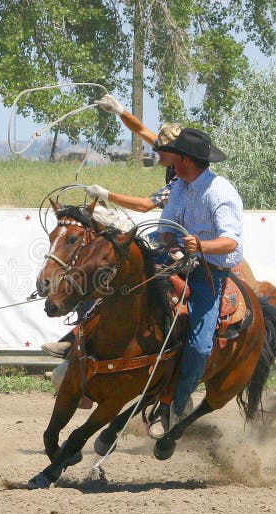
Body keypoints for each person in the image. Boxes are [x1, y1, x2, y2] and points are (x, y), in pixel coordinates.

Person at [40, 95, 181, 359]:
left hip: (178, 238)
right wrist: (119, 110)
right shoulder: (174, 160)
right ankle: (78, 335)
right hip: (162, 232)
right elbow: (141, 130)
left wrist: (106, 194)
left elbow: (143, 205)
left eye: (162, 148)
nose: (157, 150)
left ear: (176, 153)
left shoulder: (180, 182)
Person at [154, 127, 243, 428]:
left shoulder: (220, 192)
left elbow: (230, 242)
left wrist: (200, 245)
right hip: (175, 259)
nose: (168, 158)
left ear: (186, 160)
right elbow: (167, 222)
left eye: (173, 154)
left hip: (208, 271)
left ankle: (178, 402)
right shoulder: (179, 186)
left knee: (200, 345)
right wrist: (166, 235)